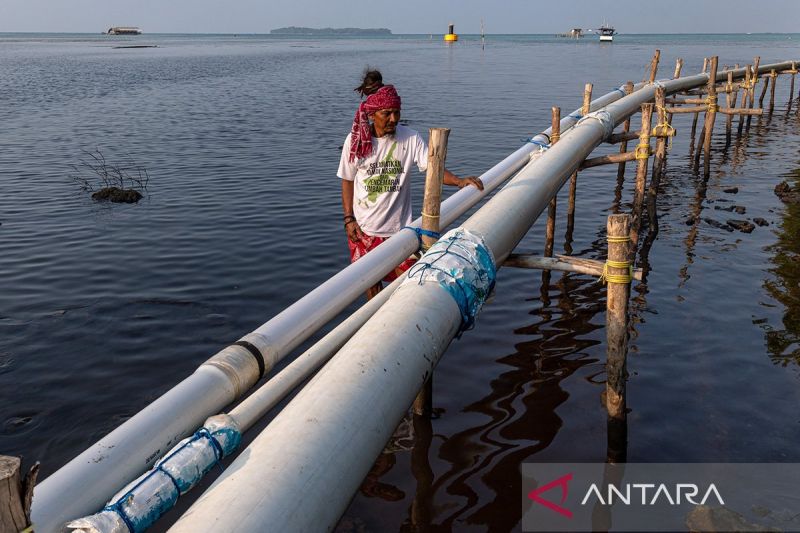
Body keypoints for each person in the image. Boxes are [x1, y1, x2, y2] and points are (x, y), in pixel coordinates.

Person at [338, 70, 484, 300]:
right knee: (371, 287)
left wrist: (458, 181)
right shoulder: (357, 141)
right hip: (364, 229)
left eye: (397, 112)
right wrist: (349, 219)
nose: (394, 119)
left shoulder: (410, 138)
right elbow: (347, 179)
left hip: (400, 231)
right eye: (387, 113)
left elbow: (432, 170)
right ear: (372, 114)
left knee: (407, 285)